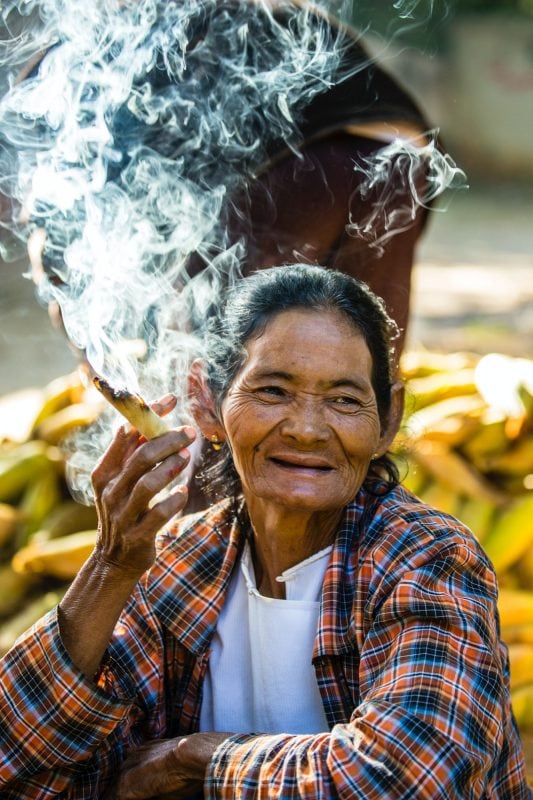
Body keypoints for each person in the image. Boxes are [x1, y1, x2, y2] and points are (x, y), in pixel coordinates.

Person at [0, 264, 530, 799]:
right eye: (273, 391)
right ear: (205, 403)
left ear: (387, 421)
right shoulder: (182, 560)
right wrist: (110, 566)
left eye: (344, 400)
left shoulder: (428, 560)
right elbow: (21, 764)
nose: (306, 429)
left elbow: (406, 779)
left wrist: (194, 756)